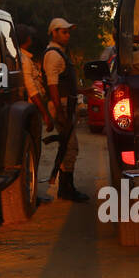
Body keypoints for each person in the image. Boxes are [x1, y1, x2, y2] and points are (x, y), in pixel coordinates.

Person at [42, 17, 89, 202]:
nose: (67, 35)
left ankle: (66, 187)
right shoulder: (53, 54)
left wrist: (85, 91)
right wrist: (60, 114)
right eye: (63, 31)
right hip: (61, 105)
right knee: (69, 147)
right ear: (54, 33)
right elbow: (52, 85)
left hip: (66, 104)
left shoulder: (60, 53)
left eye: (68, 32)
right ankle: (66, 189)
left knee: (68, 147)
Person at [18, 25, 52, 130]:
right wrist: (45, 114)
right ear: (28, 39)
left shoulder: (20, 56)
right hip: (31, 108)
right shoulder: (25, 60)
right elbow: (31, 89)